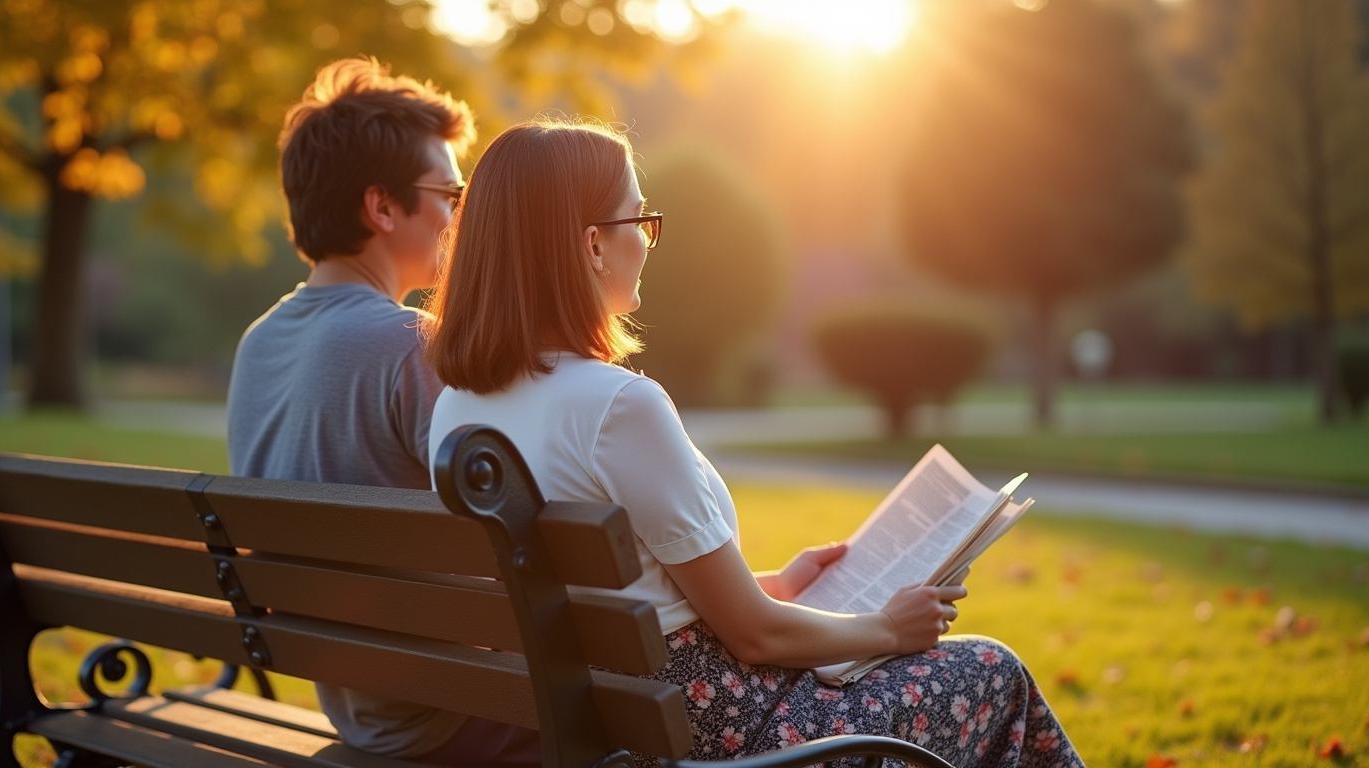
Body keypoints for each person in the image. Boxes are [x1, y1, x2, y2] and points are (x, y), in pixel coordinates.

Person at [422, 118, 1085, 767]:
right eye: (639, 221)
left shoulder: (457, 410)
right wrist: (889, 627)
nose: (650, 242)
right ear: (593, 246)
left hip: (628, 735)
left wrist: (781, 582)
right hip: (736, 739)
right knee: (994, 670)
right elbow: (752, 635)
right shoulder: (619, 407)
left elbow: (633, 608)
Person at [226, 58, 540, 765]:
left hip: (362, 710)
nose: (460, 216)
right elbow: (531, 541)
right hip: (460, 715)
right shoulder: (408, 346)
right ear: (383, 208)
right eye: (450, 194)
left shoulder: (258, 344)